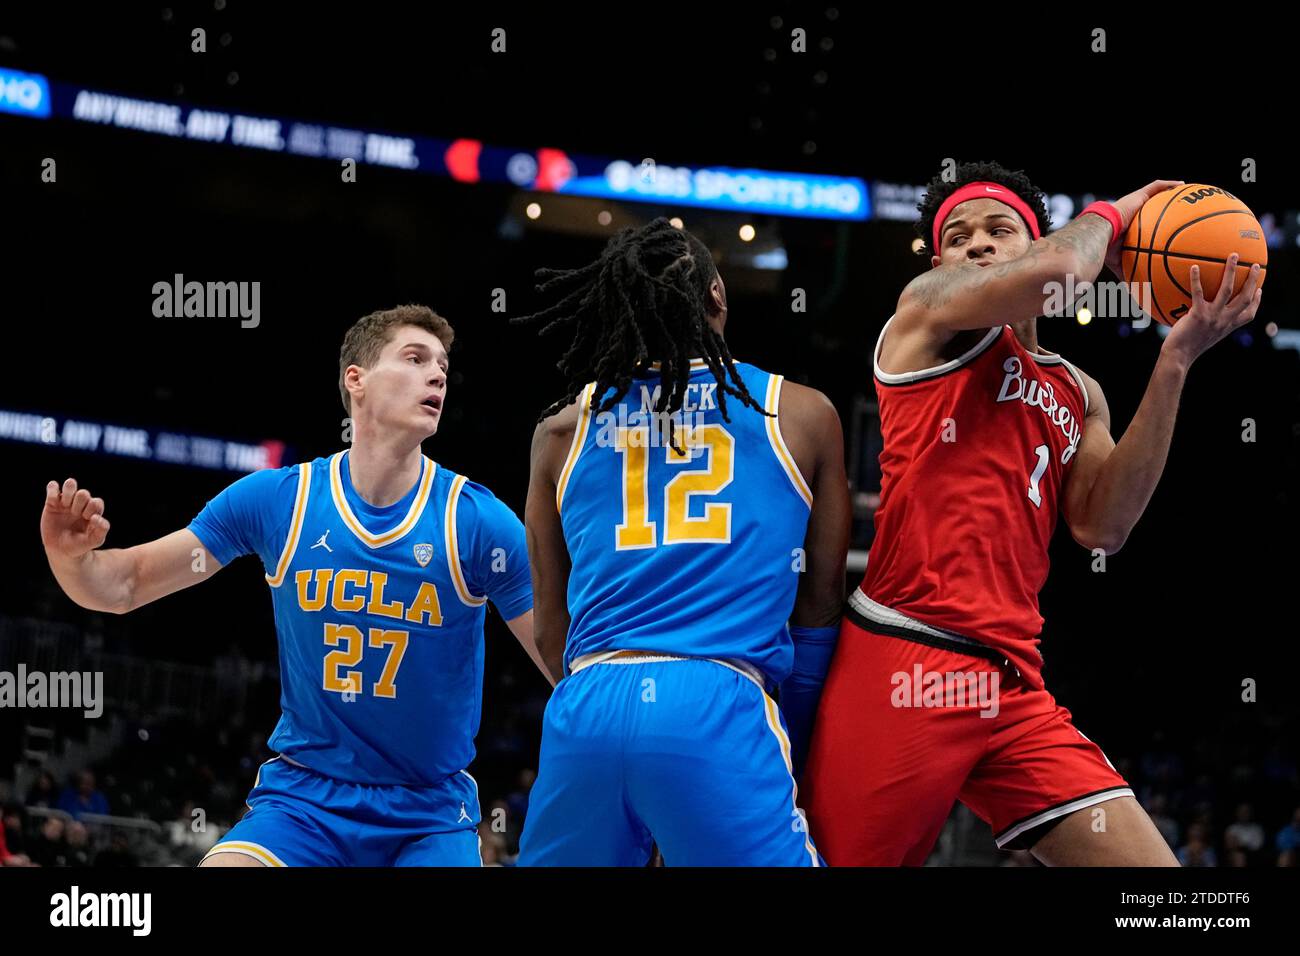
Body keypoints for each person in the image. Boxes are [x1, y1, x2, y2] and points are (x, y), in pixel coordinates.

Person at [803, 162, 1263, 866]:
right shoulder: (926, 309)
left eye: (999, 230)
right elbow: (1061, 276)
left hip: (1013, 681)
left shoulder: (1080, 390)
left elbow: (1103, 525)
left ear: (1034, 240)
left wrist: (1175, 363)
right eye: (958, 237)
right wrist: (1114, 213)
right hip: (908, 655)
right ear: (939, 261)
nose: (978, 245)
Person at [41, 304, 548, 866]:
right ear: (355, 378)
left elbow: (567, 665)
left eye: (443, 368)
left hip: (426, 817)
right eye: (415, 358)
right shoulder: (279, 500)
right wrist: (71, 560)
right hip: (304, 801)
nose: (436, 375)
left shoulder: (476, 520)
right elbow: (126, 585)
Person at [514, 219, 850, 865]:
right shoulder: (803, 413)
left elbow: (551, 629)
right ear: (718, 294)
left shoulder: (559, 429)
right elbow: (819, 610)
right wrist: (793, 737)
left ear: (614, 308)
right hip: (716, 704)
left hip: (586, 704)